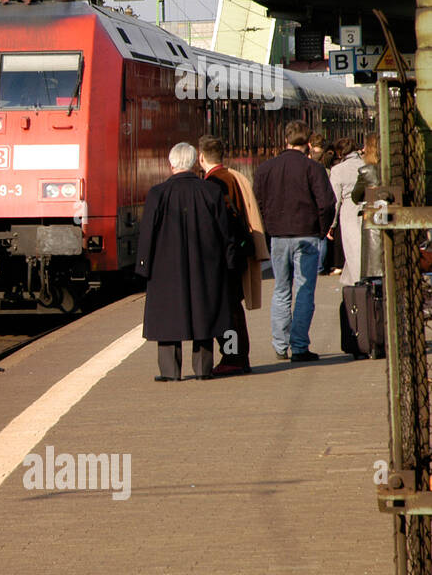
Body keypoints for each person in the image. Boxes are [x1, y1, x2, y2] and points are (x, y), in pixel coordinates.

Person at [138, 142, 237, 381]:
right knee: (205, 314)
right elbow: (225, 232)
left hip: (165, 268)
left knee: (168, 316)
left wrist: (143, 266)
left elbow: (147, 235)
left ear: (171, 163)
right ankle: (203, 369)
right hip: (206, 265)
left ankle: (170, 371)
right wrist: (229, 261)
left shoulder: (157, 194)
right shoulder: (210, 191)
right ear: (194, 163)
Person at [253, 120, 337, 362]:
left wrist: (269, 228)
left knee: (281, 290)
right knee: (304, 291)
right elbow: (327, 204)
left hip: (278, 237)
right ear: (309, 144)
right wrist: (321, 230)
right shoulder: (314, 169)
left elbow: (257, 202)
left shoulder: (265, 169)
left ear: (285, 141)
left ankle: (280, 346)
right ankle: (299, 347)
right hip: (307, 237)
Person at [197, 135, 269, 375]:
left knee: (227, 312)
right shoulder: (234, 177)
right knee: (233, 309)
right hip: (237, 254)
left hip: (224, 258)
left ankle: (233, 357)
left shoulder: (213, 183)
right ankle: (237, 357)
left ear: (201, 158)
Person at [349, 133, 383, 280]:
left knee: (374, 265)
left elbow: (355, 196)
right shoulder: (394, 170)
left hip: (373, 222)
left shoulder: (366, 171)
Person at [329, 138, 362, 284]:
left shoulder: (337, 170)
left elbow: (335, 200)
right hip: (368, 209)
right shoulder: (367, 164)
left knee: (353, 251)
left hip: (349, 211)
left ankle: (358, 286)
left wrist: (331, 224)